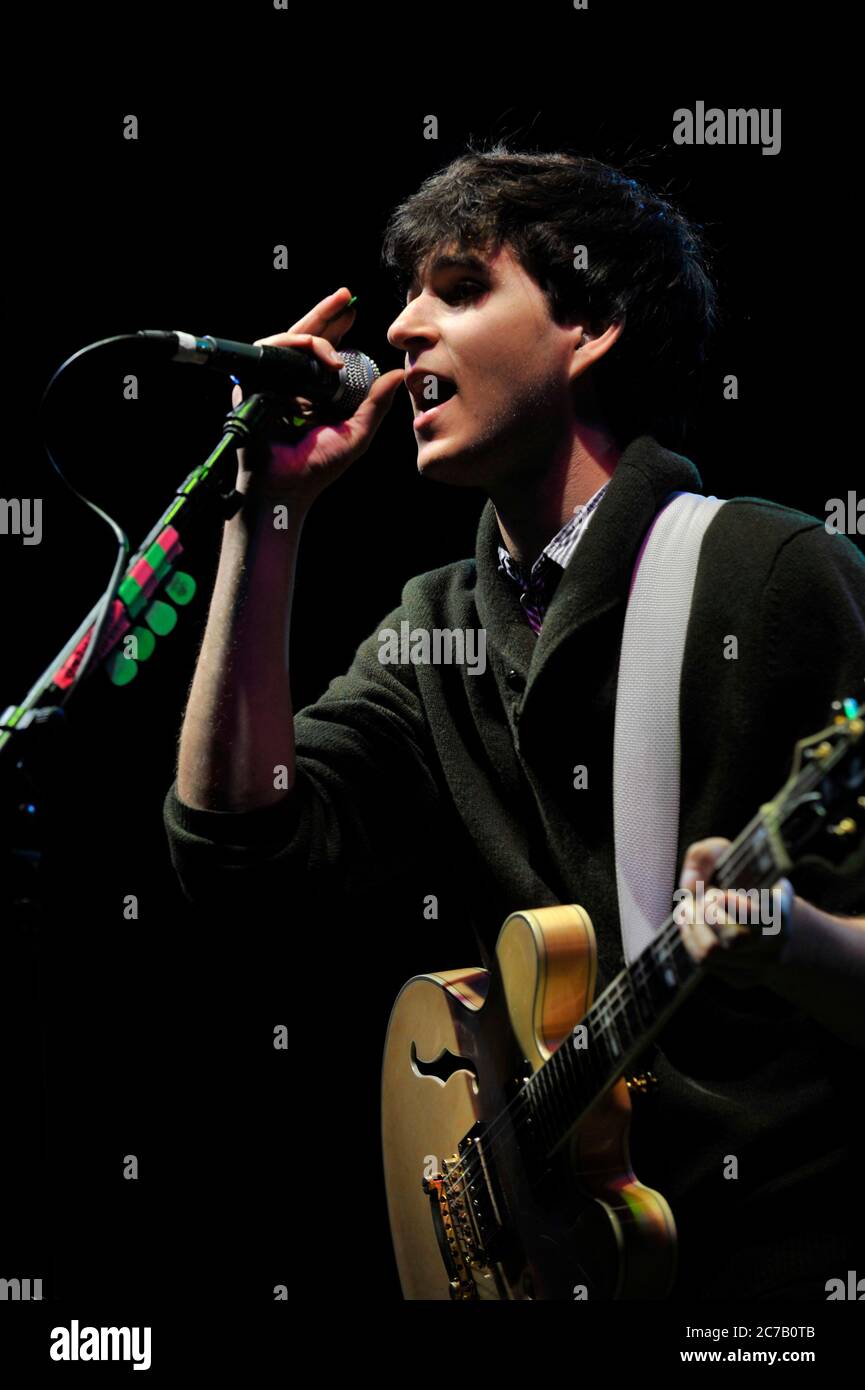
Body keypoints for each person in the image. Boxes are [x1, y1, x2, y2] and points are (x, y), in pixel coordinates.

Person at [162, 144, 865, 1300]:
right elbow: (239, 854)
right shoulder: (436, 626)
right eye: (405, 296)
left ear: (587, 326)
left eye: (458, 287)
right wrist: (265, 517)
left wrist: (786, 938)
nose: (400, 330)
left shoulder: (772, 576)